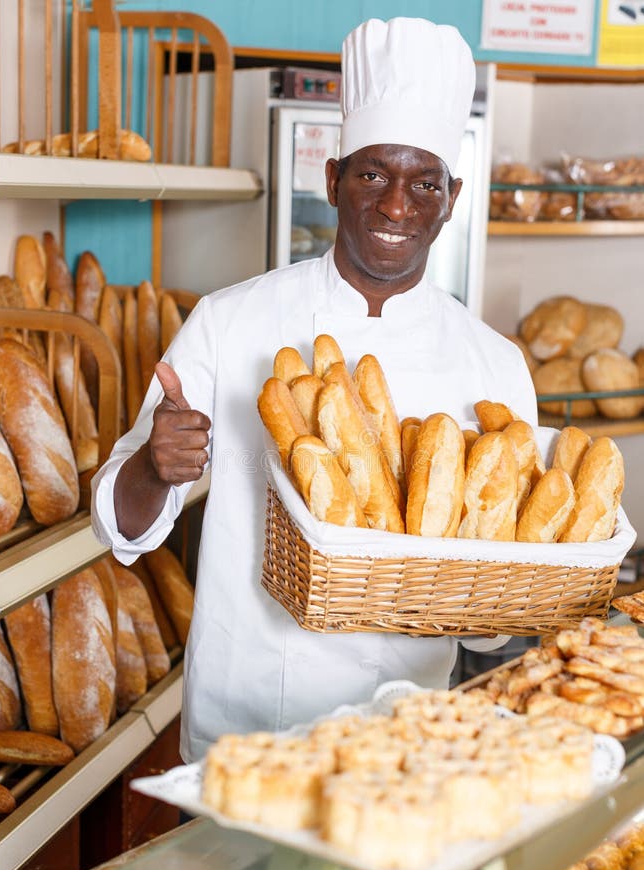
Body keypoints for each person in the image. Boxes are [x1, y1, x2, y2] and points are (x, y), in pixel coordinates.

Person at [91, 17, 538, 764]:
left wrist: (508, 598)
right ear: (332, 181)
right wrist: (149, 465)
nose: (396, 206)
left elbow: (488, 622)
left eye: (423, 183)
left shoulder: (494, 366)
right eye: (372, 175)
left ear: (450, 199)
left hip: (404, 735)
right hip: (246, 718)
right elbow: (121, 527)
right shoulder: (229, 321)